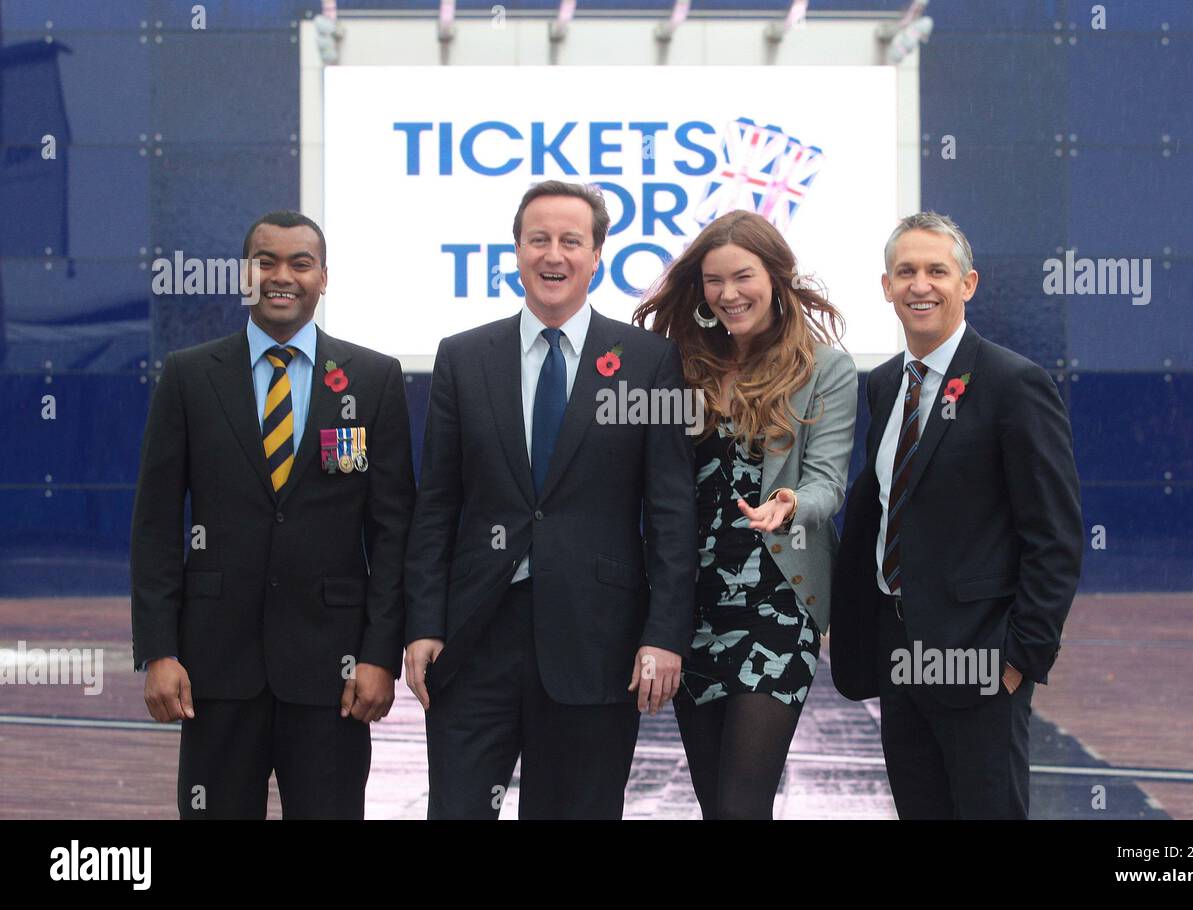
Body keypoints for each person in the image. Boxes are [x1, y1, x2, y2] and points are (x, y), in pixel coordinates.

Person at [403, 180, 696, 820]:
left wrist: (664, 634)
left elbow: (672, 513)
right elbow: (437, 506)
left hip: (597, 642)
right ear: (516, 250)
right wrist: (424, 622)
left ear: (597, 256)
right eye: (539, 239)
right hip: (475, 641)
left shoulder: (649, 362)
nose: (553, 255)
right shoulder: (463, 357)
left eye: (571, 240)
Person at [131, 211, 415, 818]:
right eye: (266, 261)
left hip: (334, 674)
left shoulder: (373, 378)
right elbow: (155, 525)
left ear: (323, 277)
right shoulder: (188, 377)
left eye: (300, 263)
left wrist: (377, 656)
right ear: (244, 274)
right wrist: (158, 650)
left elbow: (392, 535)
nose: (281, 276)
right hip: (213, 670)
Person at [830, 211, 1083, 819]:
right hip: (900, 656)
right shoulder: (888, 384)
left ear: (967, 283)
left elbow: (1055, 535)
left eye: (937, 271)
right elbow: (891, 508)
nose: (921, 284)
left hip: (980, 661)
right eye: (906, 271)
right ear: (886, 286)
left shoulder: (1013, 383)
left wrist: (1021, 657)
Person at [632, 210, 857, 819]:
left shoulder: (825, 370)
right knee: (715, 802)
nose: (728, 294)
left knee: (742, 804)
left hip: (778, 605)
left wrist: (789, 507)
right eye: (713, 280)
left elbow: (827, 482)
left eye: (743, 276)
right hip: (688, 601)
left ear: (777, 278)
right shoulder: (675, 368)